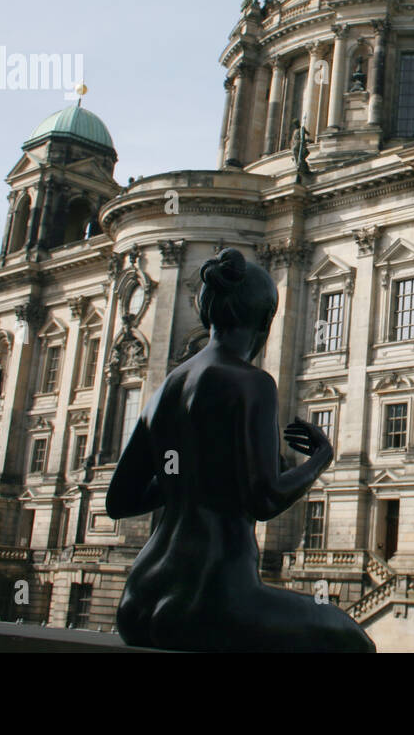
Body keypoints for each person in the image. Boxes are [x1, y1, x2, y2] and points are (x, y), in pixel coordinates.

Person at [106, 248, 374, 652]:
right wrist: (320, 459)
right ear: (266, 320)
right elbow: (264, 498)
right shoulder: (251, 382)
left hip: (140, 596)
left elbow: (120, 500)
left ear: (207, 315)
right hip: (211, 594)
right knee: (354, 641)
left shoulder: (165, 388)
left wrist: (187, 471)